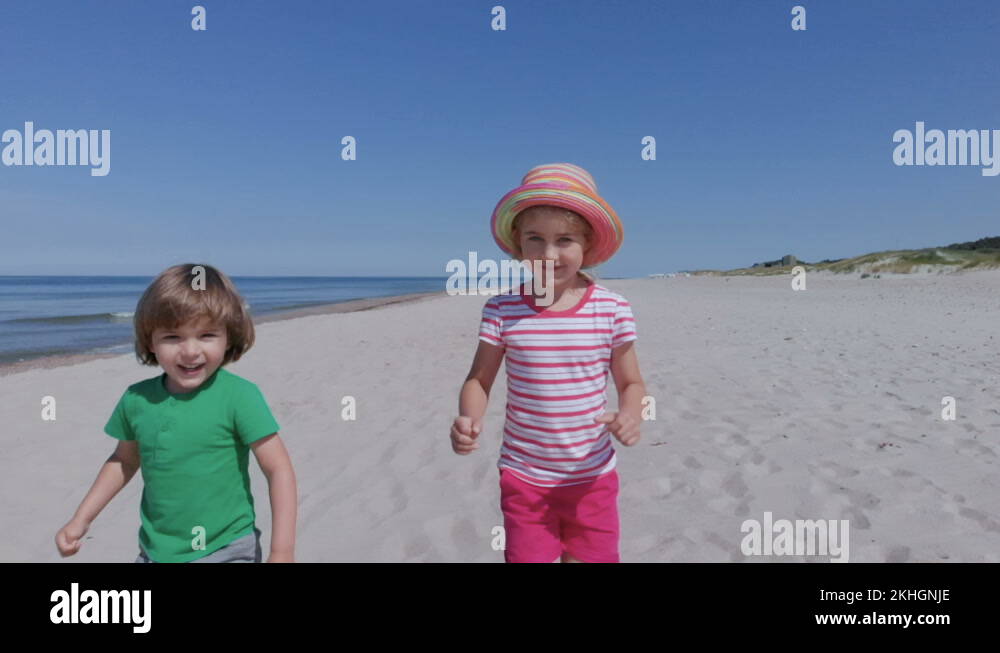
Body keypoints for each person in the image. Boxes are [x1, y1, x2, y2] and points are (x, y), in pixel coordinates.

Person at [451, 163, 646, 563]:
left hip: (592, 477)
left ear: (587, 246)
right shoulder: (502, 309)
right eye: (535, 239)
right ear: (518, 244)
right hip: (524, 478)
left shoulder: (612, 309)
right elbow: (479, 379)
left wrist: (630, 414)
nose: (549, 254)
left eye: (565, 240)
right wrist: (468, 419)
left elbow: (632, 383)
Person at [55, 263, 297, 562]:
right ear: (150, 341)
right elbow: (123, 460)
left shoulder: (239, 396)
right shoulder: (137, 399)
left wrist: (282, 551)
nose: (190, 351)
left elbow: (278, 469)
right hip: (156, 551)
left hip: (226, 549)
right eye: (172, 337)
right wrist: (82, 518)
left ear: (229, 337)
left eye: (206, 335)